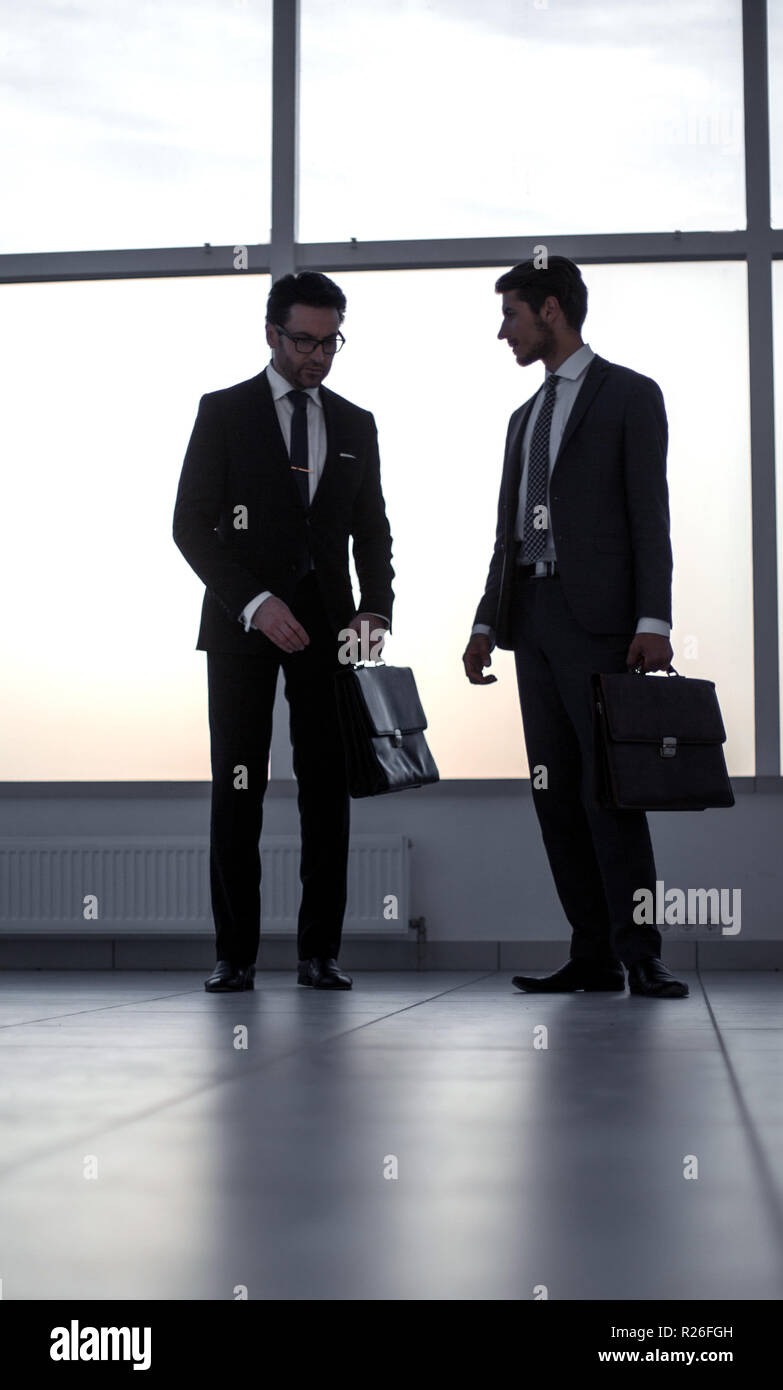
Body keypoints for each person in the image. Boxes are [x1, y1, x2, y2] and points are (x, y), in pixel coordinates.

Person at [462, 256, 688, 999]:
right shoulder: (521, 418)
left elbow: (647, 514)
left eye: (511, 316)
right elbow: (504, 532)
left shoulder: (629, 395)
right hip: (532, 619)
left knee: (610, 794)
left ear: (550, 310)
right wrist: (484, 622)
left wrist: (653, 618)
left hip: (602, 624)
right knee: (553, 791)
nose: (503, 333)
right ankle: (591, 954)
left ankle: (641, 953)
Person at [173, 271, 394, 992]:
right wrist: (256, 601)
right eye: (304, 341)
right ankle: (233, 956)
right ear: (272, 333)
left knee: (326, 790)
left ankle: (318, 954)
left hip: (331, 631)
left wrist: (376, 608)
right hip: (242, 628)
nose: (317, 357)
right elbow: (190, 527)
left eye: (330, 343)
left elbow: (371, 530)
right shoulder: (224, 412)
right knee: (238, 786)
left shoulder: (356, 422)